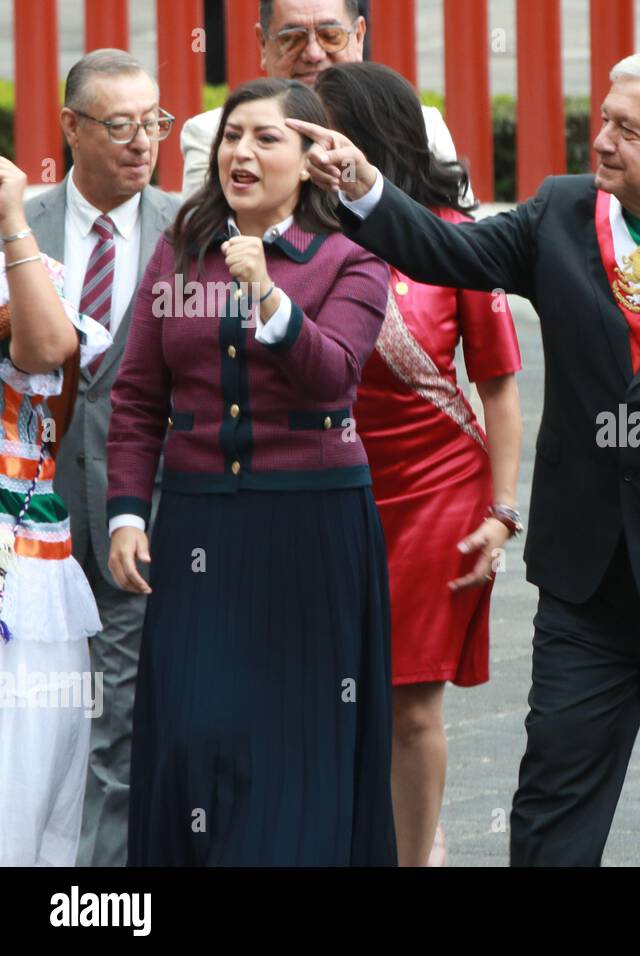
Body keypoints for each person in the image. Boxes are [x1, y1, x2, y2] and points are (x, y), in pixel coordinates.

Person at [291, 47, 640, 866]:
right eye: (602, 122)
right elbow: (451, 255)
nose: (603, 142)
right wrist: (362, 184)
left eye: (628, 128)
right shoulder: (561, 212)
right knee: (551, 812)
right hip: (588, 581)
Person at [107, 78, 396, 865]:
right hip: (200, 523)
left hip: (313, 528)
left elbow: (332, 377)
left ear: (311, 160)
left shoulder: (354, 256)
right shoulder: (180, 248)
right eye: (234, 135)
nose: (241, 152)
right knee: (197, 730)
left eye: (267, 138)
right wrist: (130, 512)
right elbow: (137, 395)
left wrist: (268, 296)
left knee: (298, 739)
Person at [314, 61, 523, 868]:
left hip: (438, 493)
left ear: (366, 134)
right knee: (321, 694)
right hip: (320, 487)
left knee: (409, 707)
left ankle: (413, 856)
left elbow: (501, 389)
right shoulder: (293, 237)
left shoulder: (451, 236)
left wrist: (502, 511)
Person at [23, 49, 181, 868]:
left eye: (152, 123)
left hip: (140, 518)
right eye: (117, 125)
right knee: (36, 721)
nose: (141, 142)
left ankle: (98, 893)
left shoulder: (191, 231)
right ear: (71, 128)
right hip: (28, 525)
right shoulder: (23, 226)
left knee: (119, 722)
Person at [0, 155, 110, 865]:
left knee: (27, 799)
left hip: (23, 571)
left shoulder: (33, 274)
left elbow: (48, 348)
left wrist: (11, 221)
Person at [179, 0, 468, 203]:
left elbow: (455, 236)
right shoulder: (217, 135)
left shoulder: (422, 124)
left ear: (358, 36)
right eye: (292, 38)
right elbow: (202, 251)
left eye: (331, 36)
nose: (314, 53)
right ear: (263, 44)